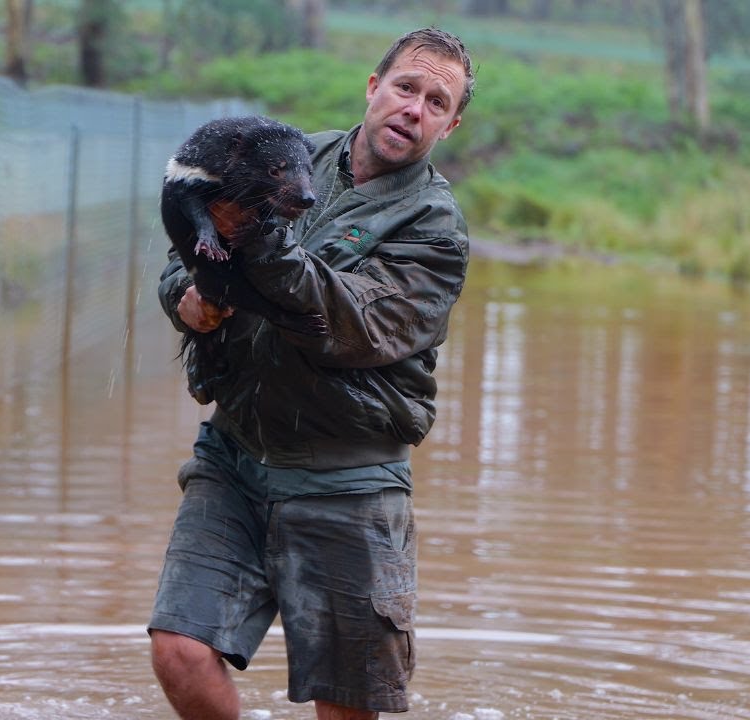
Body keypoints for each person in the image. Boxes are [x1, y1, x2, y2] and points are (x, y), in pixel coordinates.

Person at [148, 27, 475, 720]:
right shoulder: (282, 154)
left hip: (348, 478)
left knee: (345, 706)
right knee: (179, 650)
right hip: (235, 454)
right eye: (406, 87)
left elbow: (346, 320)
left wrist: (256, 235)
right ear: (373, 87)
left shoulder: (436, 228)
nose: (414, 107)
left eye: (436, 101)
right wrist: (190, 299)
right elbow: (184, 255)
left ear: (449, 125)